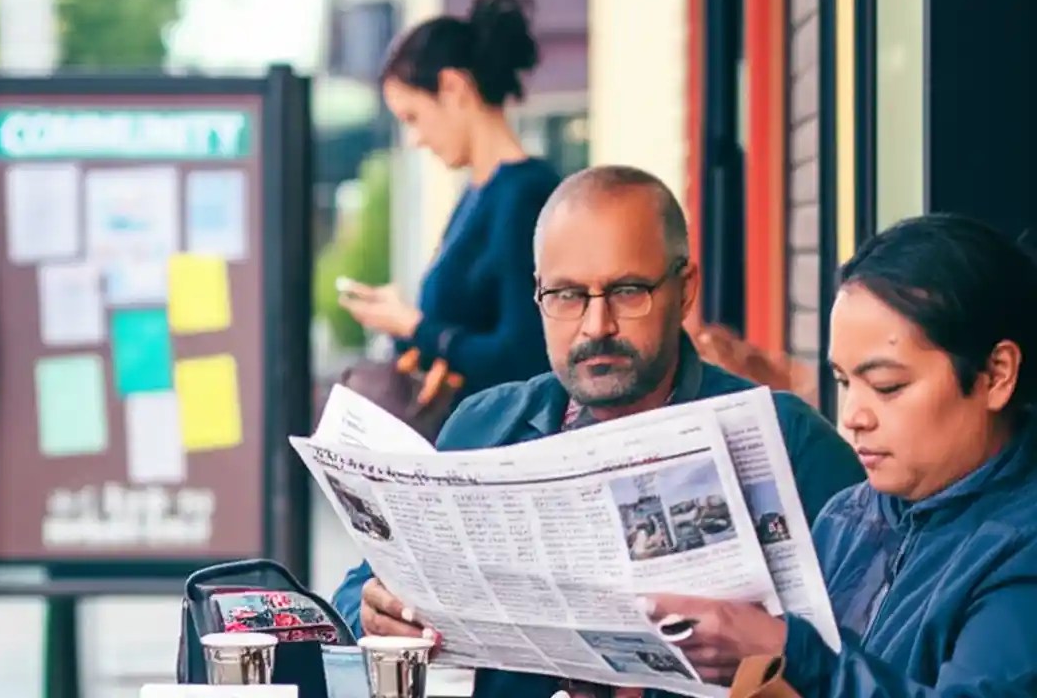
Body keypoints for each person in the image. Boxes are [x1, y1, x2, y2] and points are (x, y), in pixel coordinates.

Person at [331, 165, 865, 697]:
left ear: (684, 290)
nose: (596, 325)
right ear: (538, 294)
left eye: (628, 291)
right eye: (566, 295)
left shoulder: (790, 441)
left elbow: (869, 654)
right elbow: (362, 587)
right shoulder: (484, 424)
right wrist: (374, 609)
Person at [635, 215, 1037, 697]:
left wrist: (792, 652)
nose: (852, 417)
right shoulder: (848, 515)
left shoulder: (1021, 551)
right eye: (845, 382)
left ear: (996, 375)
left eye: (888, 386)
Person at [338, 0, 560, 401]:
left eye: (414, 117)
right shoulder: (477, 194)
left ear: (454, 88)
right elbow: (460, 338)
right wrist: (405, 324)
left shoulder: (525, 195)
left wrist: (413, 326)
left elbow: (525, 355)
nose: (417, 138)